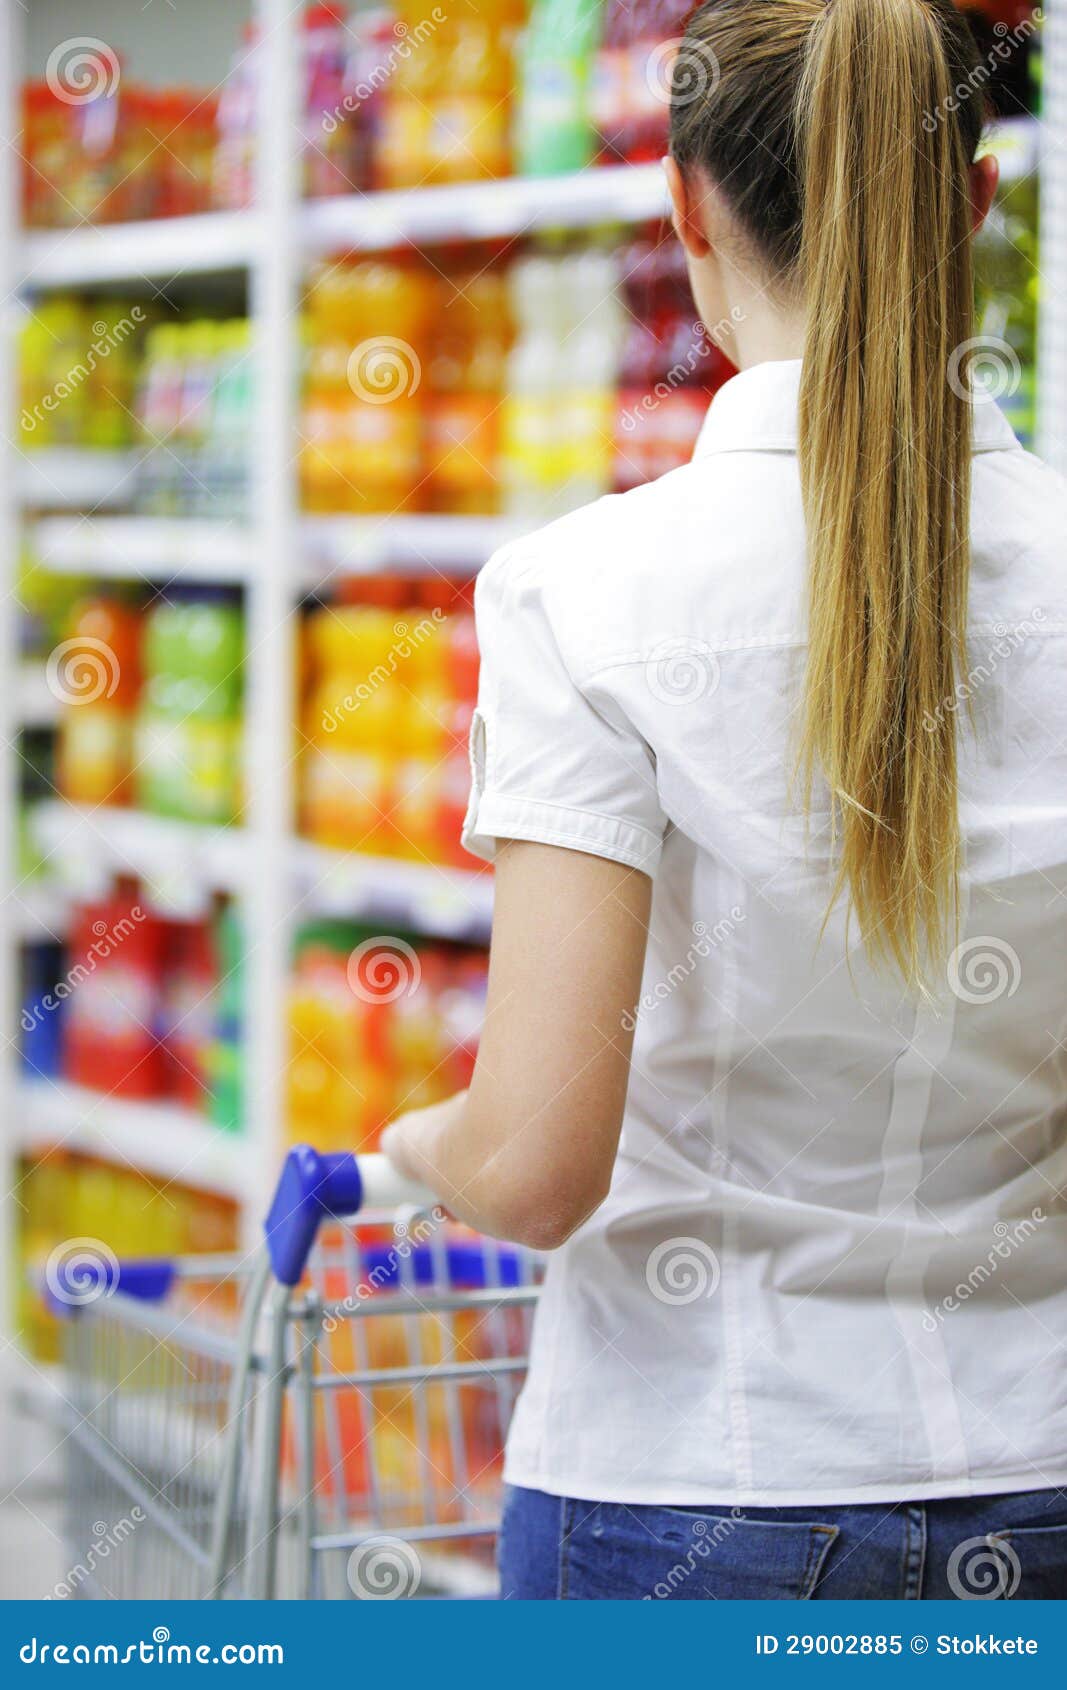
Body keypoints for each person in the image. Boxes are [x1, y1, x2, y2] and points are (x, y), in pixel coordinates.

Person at [382, 0, 1067, 1600]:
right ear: (972, 204)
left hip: (692, 1486)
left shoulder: (579, 592)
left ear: (685, 206)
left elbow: (538, 1161)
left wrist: (422, 1141)